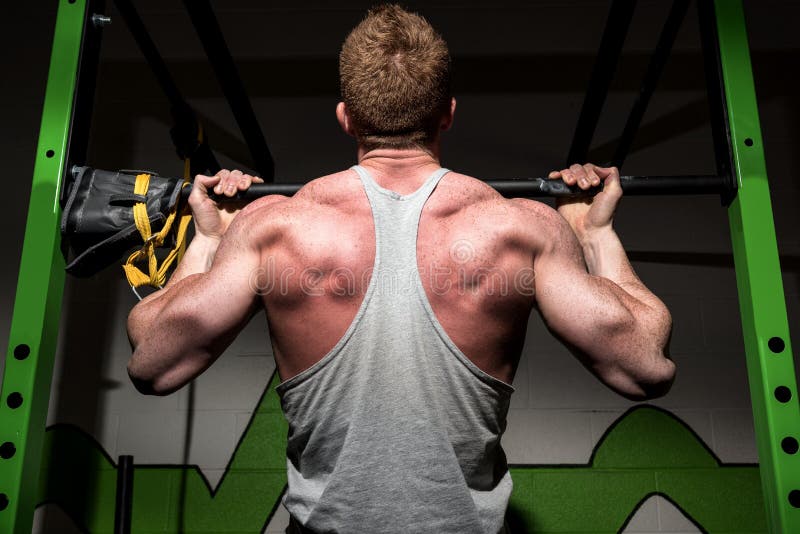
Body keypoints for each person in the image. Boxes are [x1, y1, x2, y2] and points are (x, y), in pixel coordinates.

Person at [126, 4, 675, 533]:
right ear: (448, 113)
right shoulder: (521, 230)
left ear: (346, 117)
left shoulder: (274, 228)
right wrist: (594, 234)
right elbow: (645, 364)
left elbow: (153, 361)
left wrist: (208, 240)